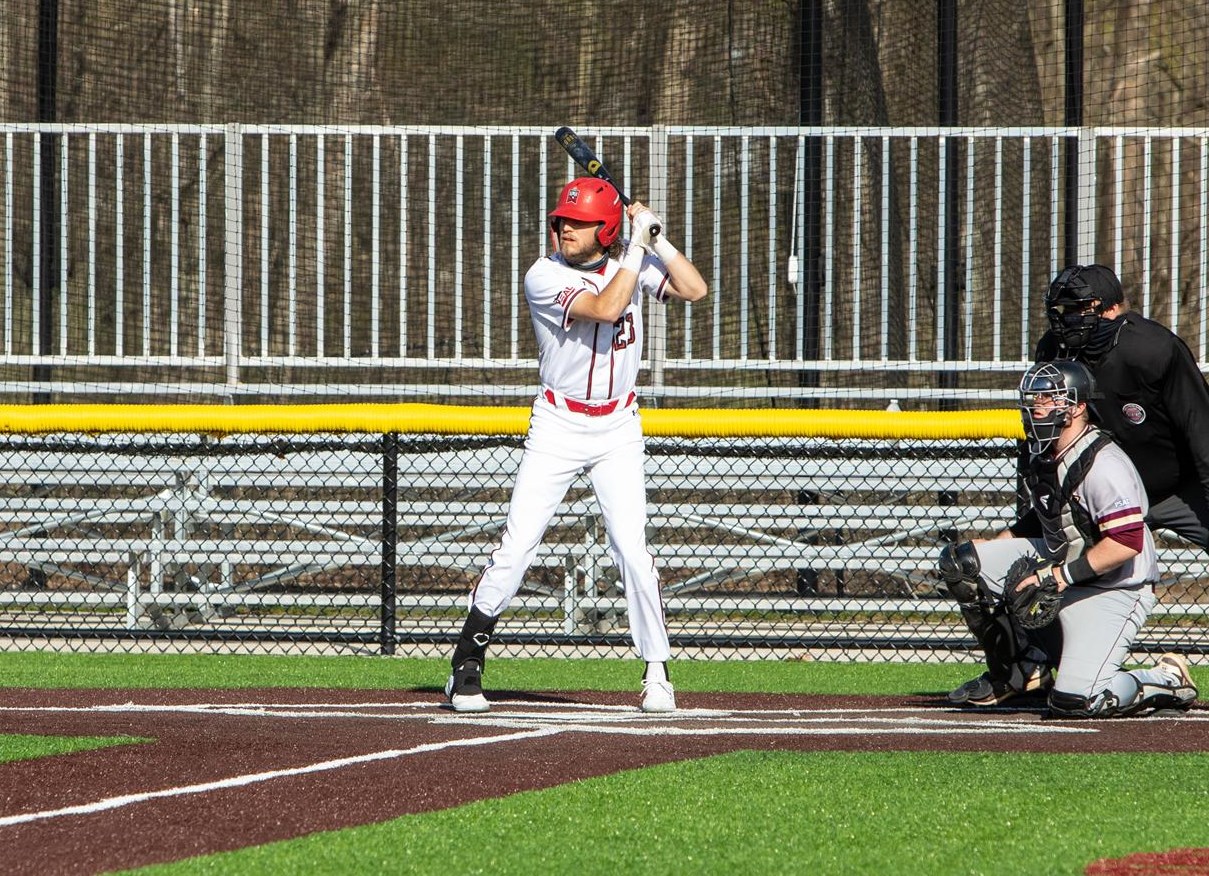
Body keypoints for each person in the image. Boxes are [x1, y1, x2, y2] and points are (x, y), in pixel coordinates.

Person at [443, 177, 708, 714]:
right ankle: (466, 662)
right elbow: (607, 307)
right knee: (518, 547)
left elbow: (695, 289)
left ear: (604, 230)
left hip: (618, 426)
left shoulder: (632, 261)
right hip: (558, 424)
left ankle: (657, 671)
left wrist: (656, 239)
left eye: (580, 223)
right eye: (563, 221)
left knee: (632, 550)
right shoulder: (543, 275)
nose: (566, 229)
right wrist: (635, 248)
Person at [938, 360, 1198, 716]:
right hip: (1066, 564)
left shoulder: (1103, 464)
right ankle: (1020, 673)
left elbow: (1126, 542)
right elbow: (1050, 512)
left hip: (1116, 586)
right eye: (1033, 398)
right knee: (964, 563)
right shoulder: (1045, 450)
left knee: (1078, 701)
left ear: (1077, 407)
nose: (1036, 406)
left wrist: (1058, 577)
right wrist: (1001, 542)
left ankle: (1166, 678)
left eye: (1048, 398)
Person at [1037, 264, 1209, 552]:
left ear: (1111, 308)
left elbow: (1200, 427)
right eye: (1063, 310)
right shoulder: (1055, 352)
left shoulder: (1152, 349)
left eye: (1078, 309)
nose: (1067, 319)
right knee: (1076, 561)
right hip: (1105, 493)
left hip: (1179, 488)